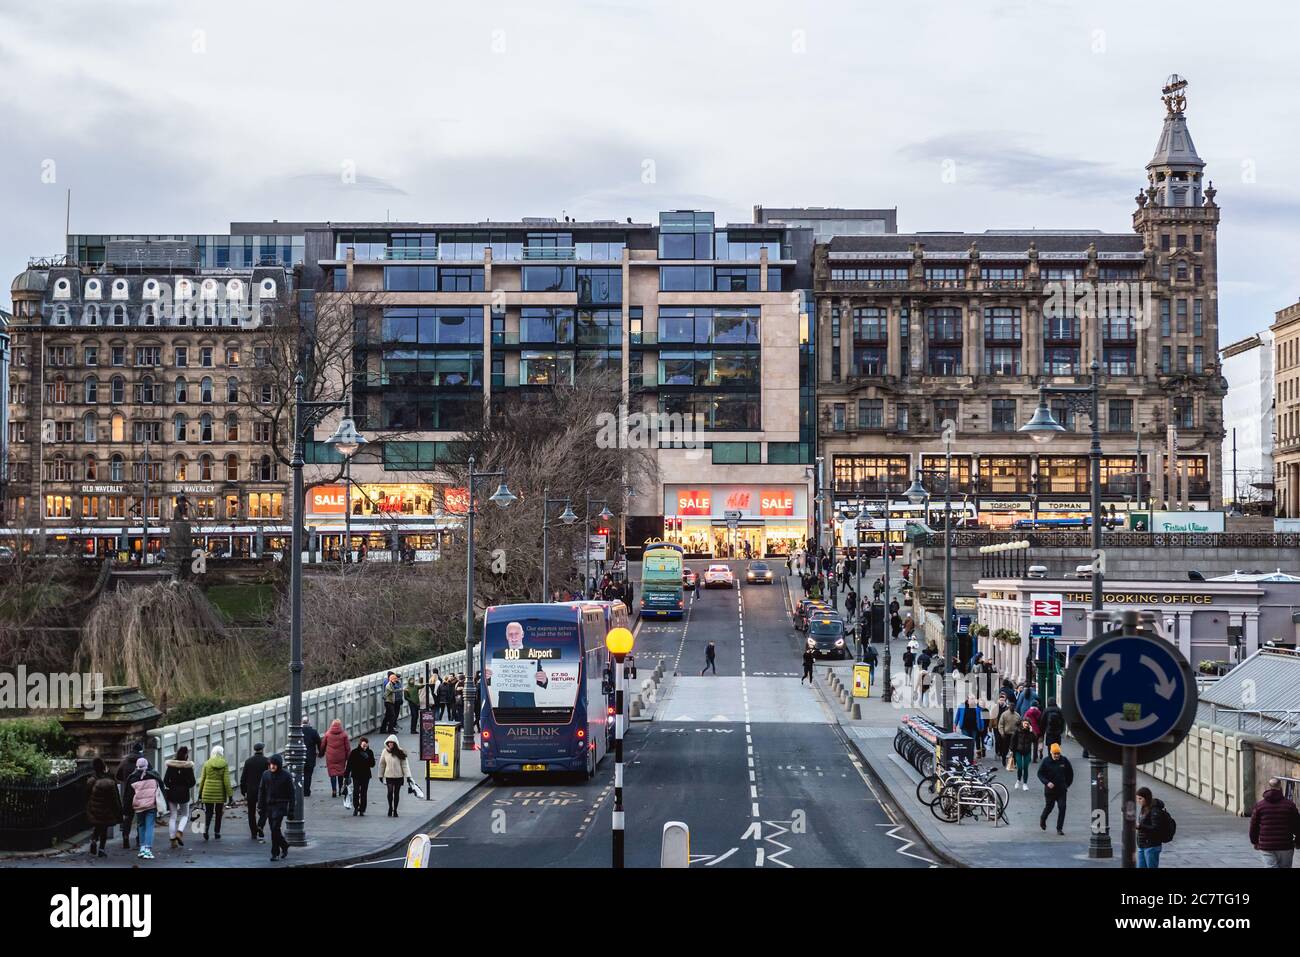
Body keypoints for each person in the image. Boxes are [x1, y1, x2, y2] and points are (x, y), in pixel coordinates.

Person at [1248, 776, 1300, 868]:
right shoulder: (1290, 805)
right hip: (1285, 845)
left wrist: (1254, 841)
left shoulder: (1260, 806)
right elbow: (1297, 825)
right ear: (1280, 787)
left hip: (1267, 845)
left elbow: (1254, 825)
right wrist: (1298, 841)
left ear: (1269, 787)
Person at [124, 757, 164, 860]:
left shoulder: (132, 778)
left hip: (138, 806)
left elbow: (128, 795)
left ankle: (142, 848)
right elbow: (162, 789)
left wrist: (127, 809)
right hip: (151, 805)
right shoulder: (154, 776)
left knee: (141, 825)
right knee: (149, 826)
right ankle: (148, 849)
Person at [258, 753, 294, 861]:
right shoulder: (266, 774)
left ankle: (275, 853)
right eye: (271, 764)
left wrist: (291, 810)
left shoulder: (286, 775)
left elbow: (291, 794)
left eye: (274, 764)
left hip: (280, 805)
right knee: (274, 829)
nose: (272, 766)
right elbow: (262, 790)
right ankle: (284, 845)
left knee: (275, 828)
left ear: (278, 765)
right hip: (269, 806)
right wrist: (260, 805)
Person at [85, 757, 123, 859]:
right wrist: (118, 810)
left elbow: (87, 794)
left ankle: (93, 840)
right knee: (104, 829)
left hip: (95, 808)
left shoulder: (92, 780)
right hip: (107, 809)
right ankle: (101, 850)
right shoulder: (110, 780)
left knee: (97, 825)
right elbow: (115, 798)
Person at [162, 746, 196, 850]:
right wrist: (185, 785)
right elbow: (192, 782)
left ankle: (172, 840)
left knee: (173, 816)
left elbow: (166, 780)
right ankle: (179, 832)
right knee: (185, 815)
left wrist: (172, 785)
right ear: (186, 755)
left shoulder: (171, 766)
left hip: (172, 793)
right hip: (184, 793)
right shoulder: (188, 766)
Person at [196, 744, 233, 840]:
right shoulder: (224, 764)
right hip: (219, 792)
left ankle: (206, 829)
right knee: (219, 812)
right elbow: (226, 781)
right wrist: (230, 796)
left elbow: (202, 779)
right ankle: (217, 832)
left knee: (208, 812)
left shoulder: (207, 763)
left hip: (207, 791)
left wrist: (200, 794)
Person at [1037, 742, 1073, 834]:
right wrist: (1047, 782)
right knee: (1049, 807)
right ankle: (1043, 818)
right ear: (1051, 753)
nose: (1057, 756)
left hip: (1061, 790)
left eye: (1058, 754)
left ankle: (1059, 828)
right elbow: (1040, 774)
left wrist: (1066, 785)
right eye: (1055, 754)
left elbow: (1070, 774)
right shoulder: (1046, 761)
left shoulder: (1064, 760)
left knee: (1062, 807)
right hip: (1050, 791)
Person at [115, 742, 145, 850]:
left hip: (128, 792)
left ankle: (125, 837)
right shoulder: (144, 762)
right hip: (141, 793)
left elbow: (117, 775)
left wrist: (126, 780)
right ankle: (139, 839)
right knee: (141, 816)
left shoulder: (125, 762)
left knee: (128, 816)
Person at [1136, 786, 1173, 868]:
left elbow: (1156, 828)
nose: (1138, 801)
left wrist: (1140, 826)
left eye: (1140, 798)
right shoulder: (1144, 808)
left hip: (1151, 845)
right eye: (1137, 798)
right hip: (1142, 844)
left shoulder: (1155, 811)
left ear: (1147, 798)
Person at [240, 743, 270, 841]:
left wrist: (243, 790)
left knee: (251, 812)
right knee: (264, 810)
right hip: (263, 790)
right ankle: (260, 825)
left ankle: (253, 832)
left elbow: (243, 777)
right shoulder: (267, 761)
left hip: (251, 791)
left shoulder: (248, 761)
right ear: (262, 750)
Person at [378, 734, 412, 818]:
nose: (390, 744)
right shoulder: (385, 751)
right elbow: (382, 764)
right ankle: (390, 807)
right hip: (388, 775)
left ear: (395, 743)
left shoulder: (401, 752)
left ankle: (395, 810)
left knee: (396, 793)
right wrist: (380, 775)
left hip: (399, 776)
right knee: (390, 792)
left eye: (392, 743)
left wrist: (408, 776)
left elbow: (405, 765)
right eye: (389, 743)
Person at [321, 718, 351, 798]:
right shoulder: (344, 734)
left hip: (330, 757)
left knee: (332, 773)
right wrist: (349, 758)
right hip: (341, 757)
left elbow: (323, 745)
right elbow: (347, 748)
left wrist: (321, 753)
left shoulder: (328, 734)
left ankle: (334, 790)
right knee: (341, 773)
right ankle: (340, 790)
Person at [346, 737, 376, 816]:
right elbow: (349, 764)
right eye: (363, 745)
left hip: (366, 775)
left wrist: (368, 758)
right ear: (360, 744)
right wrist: (346, 774)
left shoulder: (370, 752)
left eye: (366, 745)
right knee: (356, 791)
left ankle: (362, 809)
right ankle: (356, 807)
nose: (365, 747)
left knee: (363, 792)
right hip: (356, 775)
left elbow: (372, 764)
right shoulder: (354, 752)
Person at [1010, 718, 1035, 791]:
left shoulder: (1030, 732)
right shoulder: (1017, 730)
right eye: (1025, 723)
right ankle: (1018, 780)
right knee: (1020, 767)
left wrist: (1031, 732)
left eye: (1027, 724)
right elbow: (1013, 740)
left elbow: (1034, 740)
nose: (1026, 725)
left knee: (1025, 767)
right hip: (1018, 751)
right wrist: (1011, 750)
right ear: (1022, 723)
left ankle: (1025, 784)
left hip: (1027, 751)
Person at [996, 694, 1020, 768]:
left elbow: (1019, 725)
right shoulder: (1004, 714)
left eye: (1013, 707)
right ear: (1009, 707)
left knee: (1014, 749)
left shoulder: (1017, 715)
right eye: (1011, 706)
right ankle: (1004, 759)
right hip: (1006, 734)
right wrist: (1002, 733)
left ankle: (1014, 762)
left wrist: (1019, 732)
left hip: (1014, 734)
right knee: (1005, 748)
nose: (1012, 708)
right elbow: (1000, 724)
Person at [301, 717, 322, 797]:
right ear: (309, 723)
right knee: (308, 774)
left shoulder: (298, 731)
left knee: (300, 774)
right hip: (310, 756)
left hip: (300, 756)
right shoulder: (313, 732)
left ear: (301, 723)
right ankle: (306, 791)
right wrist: (321, 752)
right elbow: (319, 742)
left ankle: (300, 790)